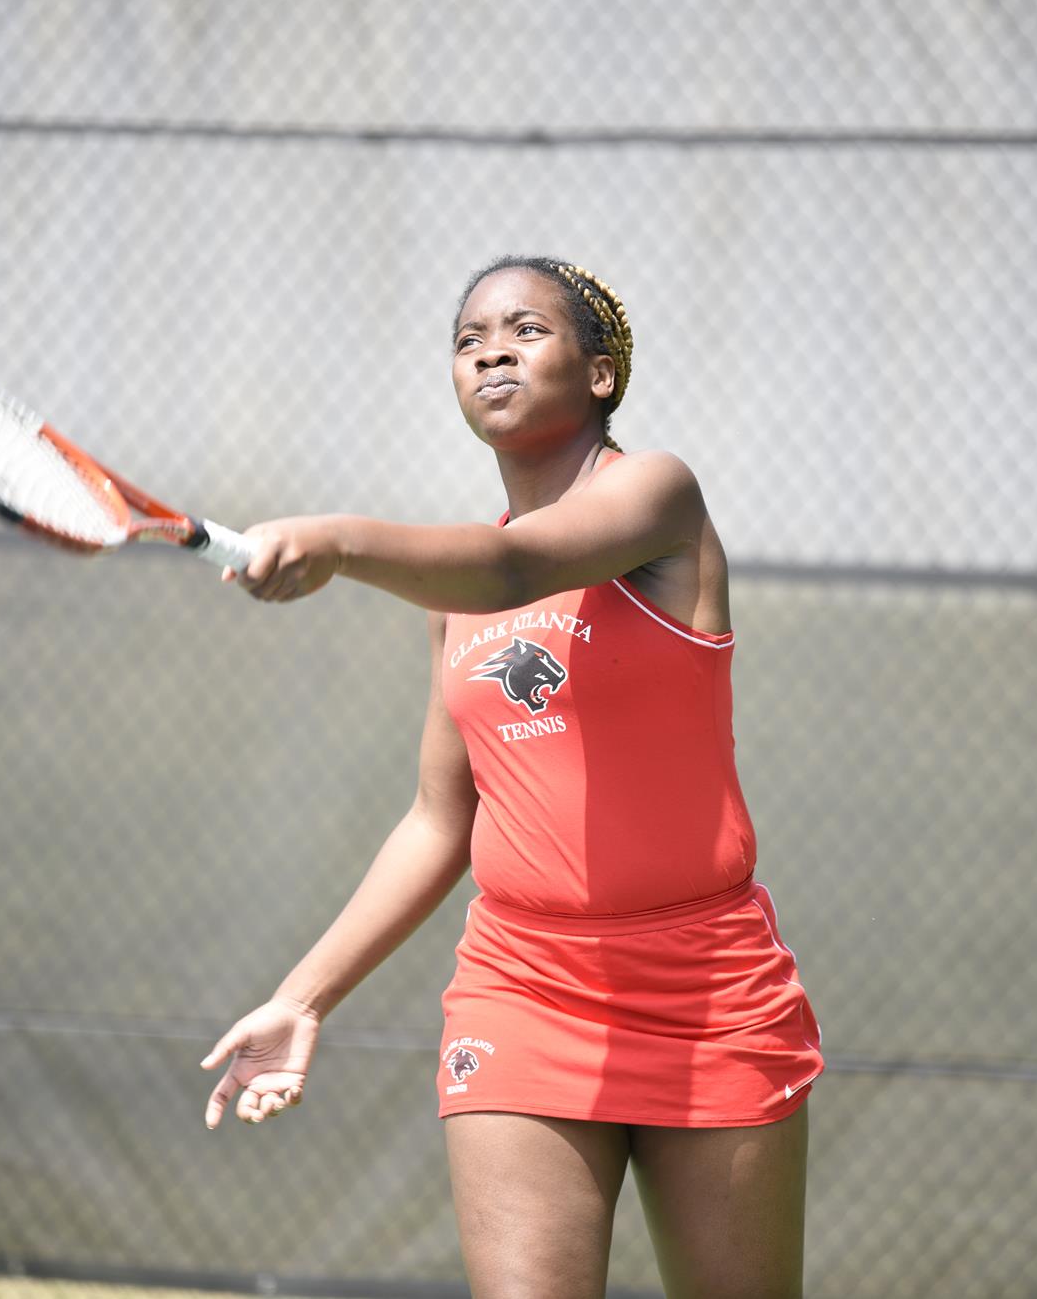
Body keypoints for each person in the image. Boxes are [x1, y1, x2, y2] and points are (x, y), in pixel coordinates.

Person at [199, 256, 821, 1298]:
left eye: (526, 329)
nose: (489, 347)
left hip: (707, 989)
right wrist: (303, 998)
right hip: (522, 986)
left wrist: (338, 540)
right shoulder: (457, 592)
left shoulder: (655, 493)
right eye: (466, 336)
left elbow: (518, 567)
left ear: (600, 374)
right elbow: (438, 821)